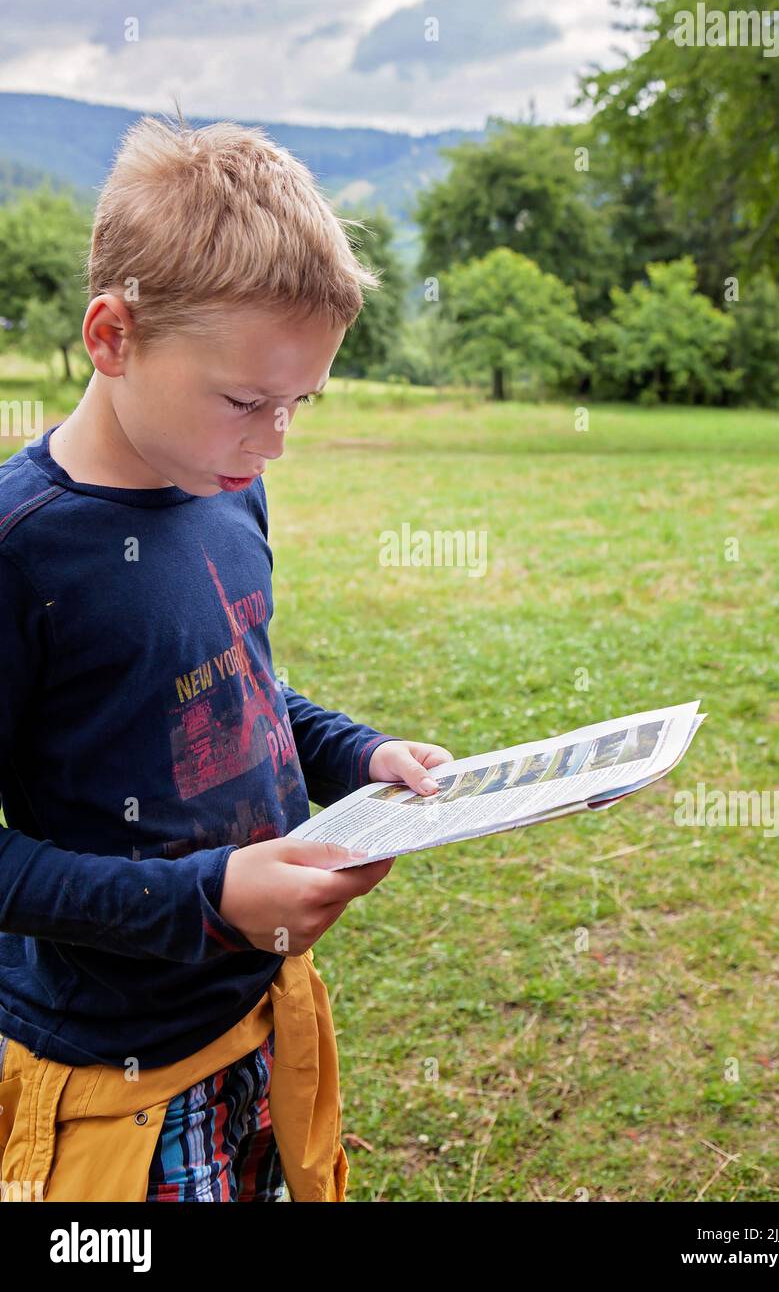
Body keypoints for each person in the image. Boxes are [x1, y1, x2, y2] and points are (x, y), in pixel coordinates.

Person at [0, 112, 452, 1202]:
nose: (274, 441)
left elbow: (235, 685)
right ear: (112, 337)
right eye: (247, 401)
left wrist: (360, 752)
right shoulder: (24, 552)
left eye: (299, 402)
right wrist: (207, 896)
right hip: (113, 1071)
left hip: (261, 1012)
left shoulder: (227, 482)